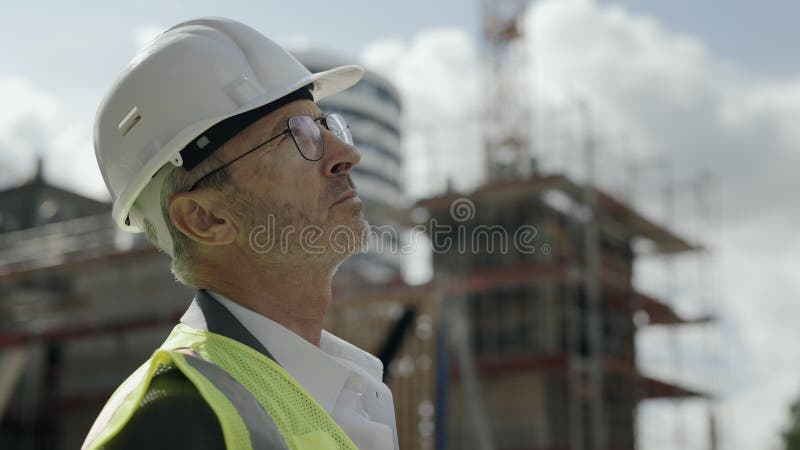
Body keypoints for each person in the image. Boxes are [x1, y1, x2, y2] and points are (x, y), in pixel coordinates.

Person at [82, 17, 398, 450]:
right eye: (298, 134)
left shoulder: (341, 392)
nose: (347, 153)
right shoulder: (172, 418)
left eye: (325, 125)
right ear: (204, 219)